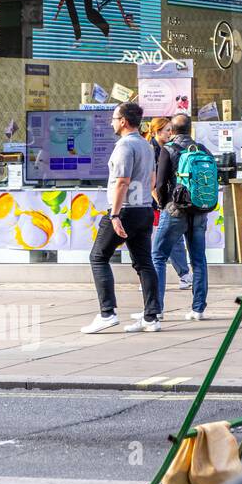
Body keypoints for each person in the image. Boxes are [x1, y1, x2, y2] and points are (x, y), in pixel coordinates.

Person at [81, 101, 159, 334]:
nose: (111, 122)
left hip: (124, 209)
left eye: (114, 118)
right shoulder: (146, 146)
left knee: (98, 257)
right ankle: (151, 318)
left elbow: (122, 182)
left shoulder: (124, 147)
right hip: (144, 208)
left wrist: (114, 214)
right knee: (144, 262)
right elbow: (152, 180)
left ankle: (107, 313)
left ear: (123, 121)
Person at [152, 113, 212, 322]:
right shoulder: (202, 149)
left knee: (158, 256)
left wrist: (162, 204)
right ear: (190, 129)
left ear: (173, 131)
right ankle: (198, 309)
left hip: (175, 210)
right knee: (198, 259)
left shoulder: (168, 149)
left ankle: (156, 309)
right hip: (199, 211)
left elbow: (160, 184)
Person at [148, 116, 192, 294]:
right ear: (158, 132)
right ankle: (183, 274)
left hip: (164, 201)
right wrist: (160, 201)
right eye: (166, 130)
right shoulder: (153, 149)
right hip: (158, 201)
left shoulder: (166, 148)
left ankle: (184, 274)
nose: (169, 133)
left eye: (170, 129)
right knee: (165, 243)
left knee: (172, 239)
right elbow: (153, 181)